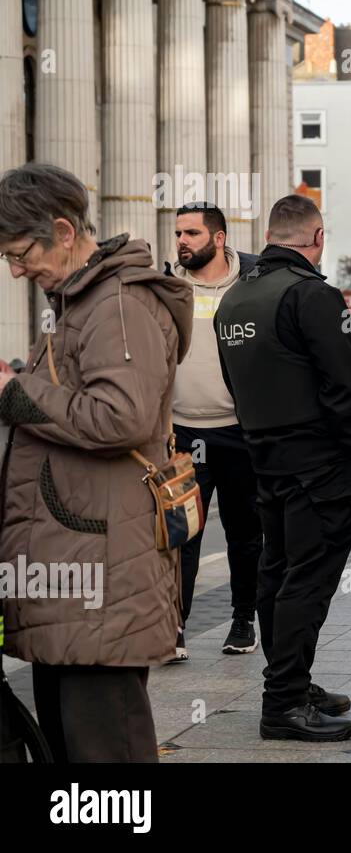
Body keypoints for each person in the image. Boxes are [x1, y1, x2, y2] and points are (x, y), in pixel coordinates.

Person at [0, 164, 192, 761]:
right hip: (77, 565)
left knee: (108, 753)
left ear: (62, 230)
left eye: (19, 252)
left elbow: (123, 416)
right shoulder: (82, 300)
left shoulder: (117, 304)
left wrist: (14, 392)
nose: (14, 269)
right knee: (78, 747)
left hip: (102, 573)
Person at [216, 194, 351, 742]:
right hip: (316, 464)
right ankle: (283, 703)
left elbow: (234, 385)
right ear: (317, 237)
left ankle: (290, 682)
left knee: (277, 573)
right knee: (307, 579)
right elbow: (343, 387)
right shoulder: (313, 296)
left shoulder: (233, 300)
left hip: (266, 459)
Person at [168, 201, 262, 662]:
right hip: (183, 433)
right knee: (182, 533)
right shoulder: (168, 287)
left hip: (239, 432)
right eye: (179, 233)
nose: (182, 241)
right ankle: (175, 628)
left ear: (219, 239)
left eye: (192, 234)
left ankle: (244, 619)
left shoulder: (253, 282)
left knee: (246, 533)